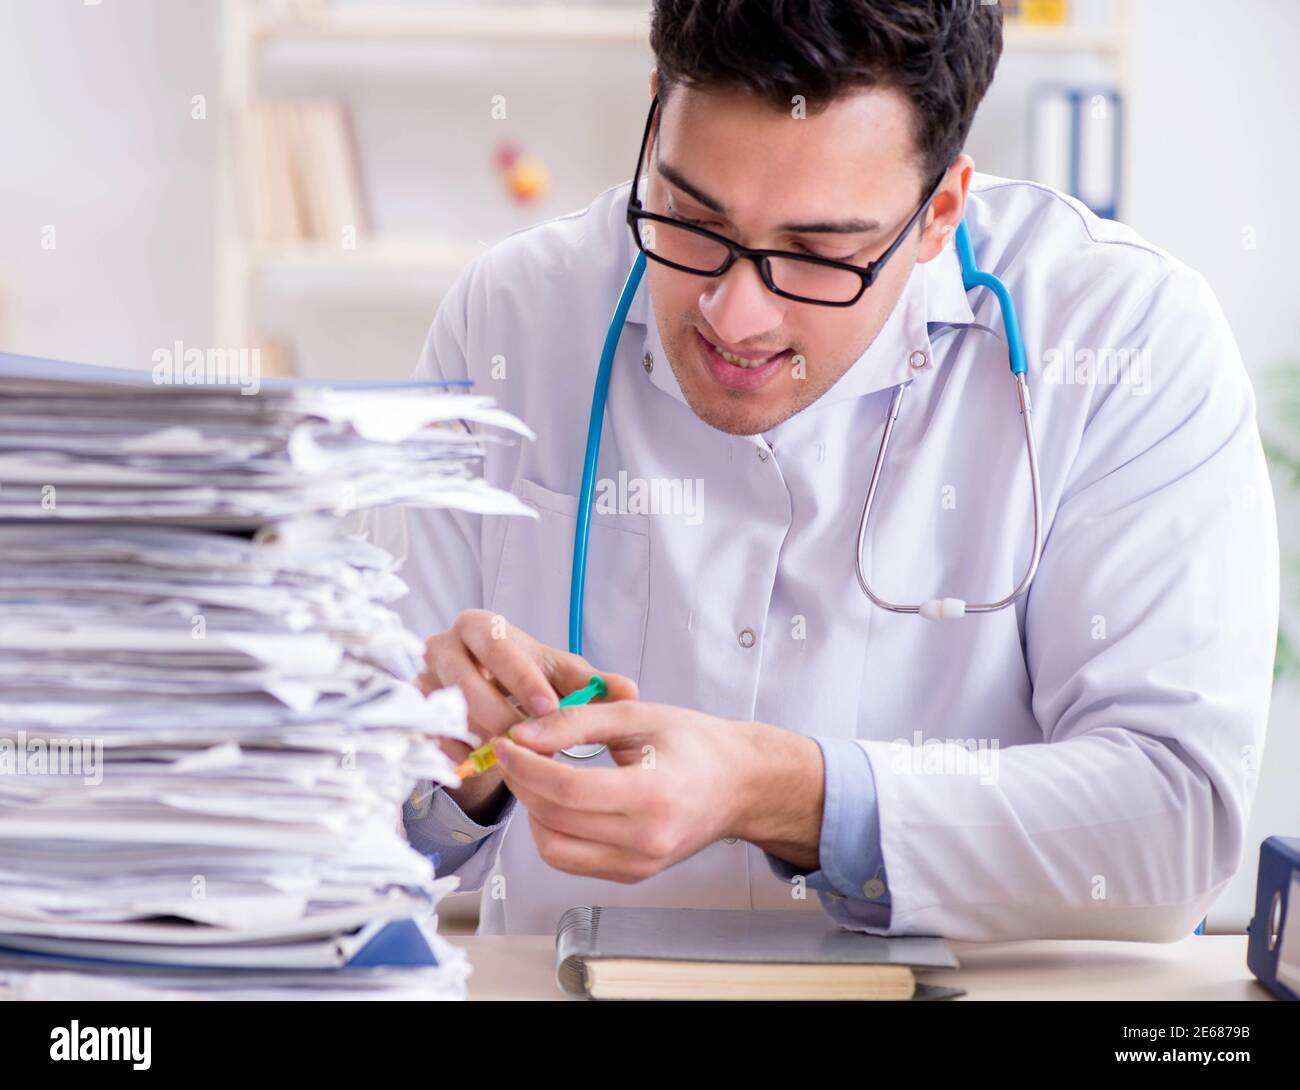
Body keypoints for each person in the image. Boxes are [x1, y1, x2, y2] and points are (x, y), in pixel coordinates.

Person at [370, 0, 1279, 939]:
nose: (734, 316)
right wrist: (452, 765)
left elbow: (1175, 821)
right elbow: (351, 820)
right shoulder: (512, 316)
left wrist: (781, 792)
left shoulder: (1125, 337)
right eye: (691, 219)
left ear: (940, 213)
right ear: (654, 119)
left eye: (817, 254)